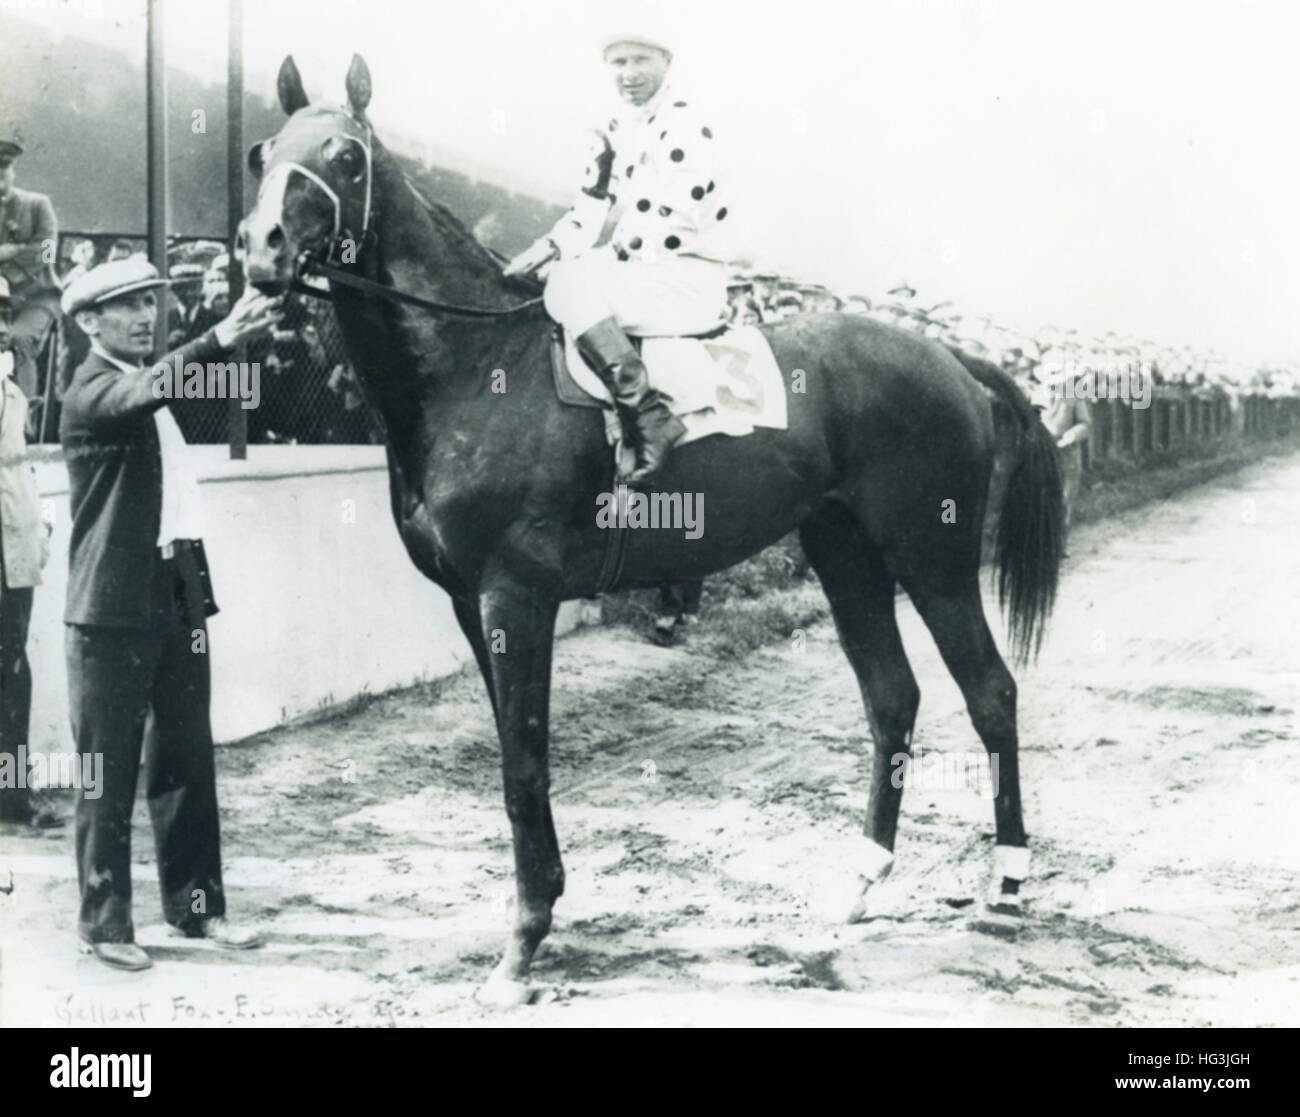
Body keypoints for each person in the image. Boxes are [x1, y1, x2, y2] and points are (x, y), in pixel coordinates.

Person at [59, 256, 282, 971]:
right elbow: (148, 389)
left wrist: (244, 333)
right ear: (89, 321)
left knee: (186, 757)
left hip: (180, 583)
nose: (145, 315)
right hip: (111, 607)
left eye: (150, 302)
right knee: (108, 771)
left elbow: (168, 391)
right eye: (127, 305)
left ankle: (195, 908)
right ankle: (103, 924)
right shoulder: (90, 391)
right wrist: (219, 337)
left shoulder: (142, 386)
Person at [504, 28, 732, 483]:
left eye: (640, 60)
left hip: (686, 277)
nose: (628, 74)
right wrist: (550, 246)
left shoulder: (687, 122)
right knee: (551, 279)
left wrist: (594, 262)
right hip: (641, 268)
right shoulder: (611, 128)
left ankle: (650, 417)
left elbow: (676, 219)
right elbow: (591, 203)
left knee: (568, 285)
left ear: (667, 61)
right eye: (618, 62)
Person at [0, 277, 60, 829]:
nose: (1, 329)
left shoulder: (13, 392)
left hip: (12, 550)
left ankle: (12, 799)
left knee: (13, 668)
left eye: (3, 316)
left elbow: (19, 472)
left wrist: (40, 527)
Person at [0, 138, 61, 407]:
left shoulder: (37, 204)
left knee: (19, 339)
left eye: (4, 169)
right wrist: (17, 247)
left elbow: (47, 250)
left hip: (36, 297)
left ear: (13, 171)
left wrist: (8, 258)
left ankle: (23, 420)